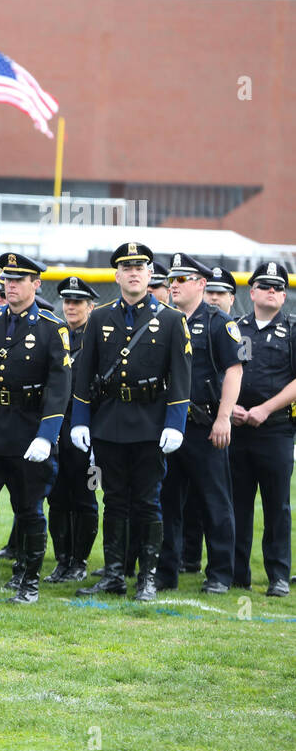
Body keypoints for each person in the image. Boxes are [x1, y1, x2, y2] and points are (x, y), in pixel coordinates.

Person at [71, 242, 191, 602]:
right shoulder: (100, 317)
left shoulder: (172, 320)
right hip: (108, 423)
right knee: (114, 500)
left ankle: (147, 578)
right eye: (127, 267)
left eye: (140, 267)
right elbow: (84, 373)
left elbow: (181, 377)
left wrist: (176, 423)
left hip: (151, 423)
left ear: (150, 274)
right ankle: (113, 575)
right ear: (117, 275)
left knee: (148, 502)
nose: (134, 273)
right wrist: (80, 420)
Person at [0, 253, 72, 603]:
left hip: (28, 430)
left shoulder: (53, 328)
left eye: (19, 280)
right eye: (7, 279)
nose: (11, 285)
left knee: (29, 508)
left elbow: (59, 387)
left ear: (36, 284)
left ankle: (29, 580)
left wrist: (47, 435)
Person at [153, 253, 242, 595]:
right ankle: (165, 572)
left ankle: (220, 574)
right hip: (169, 427)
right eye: (171, 280)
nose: (173, 285)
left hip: (206, 427)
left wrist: (223, 418)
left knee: (215, 502)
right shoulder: (163, 320)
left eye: (181, 280)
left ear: (201, 285)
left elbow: (234, 371)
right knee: (167, 502)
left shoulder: (218, 322)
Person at [229, 262, 296, 597]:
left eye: (278, 288)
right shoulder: (236, 328)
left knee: (277, 507)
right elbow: (225, 372)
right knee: (237, 504)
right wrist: (231, 409)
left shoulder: (294, 330)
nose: (273, 291)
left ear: (284, 296)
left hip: (276, 431)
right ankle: (237, 574)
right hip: (238, 431)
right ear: (251, 291)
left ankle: (279, 576)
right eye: (265, 286)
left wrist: (265, 409)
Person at [44, 275, 100, 583]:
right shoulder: (57, 335)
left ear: (91, 306)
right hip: (57, 428)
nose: (71, 306)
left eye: (78, 301)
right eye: (67, 301)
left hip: (87, 430)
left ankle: (80, 561)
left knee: (86, 496)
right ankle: (62, 559)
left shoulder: (98, 338)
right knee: (56, 495)